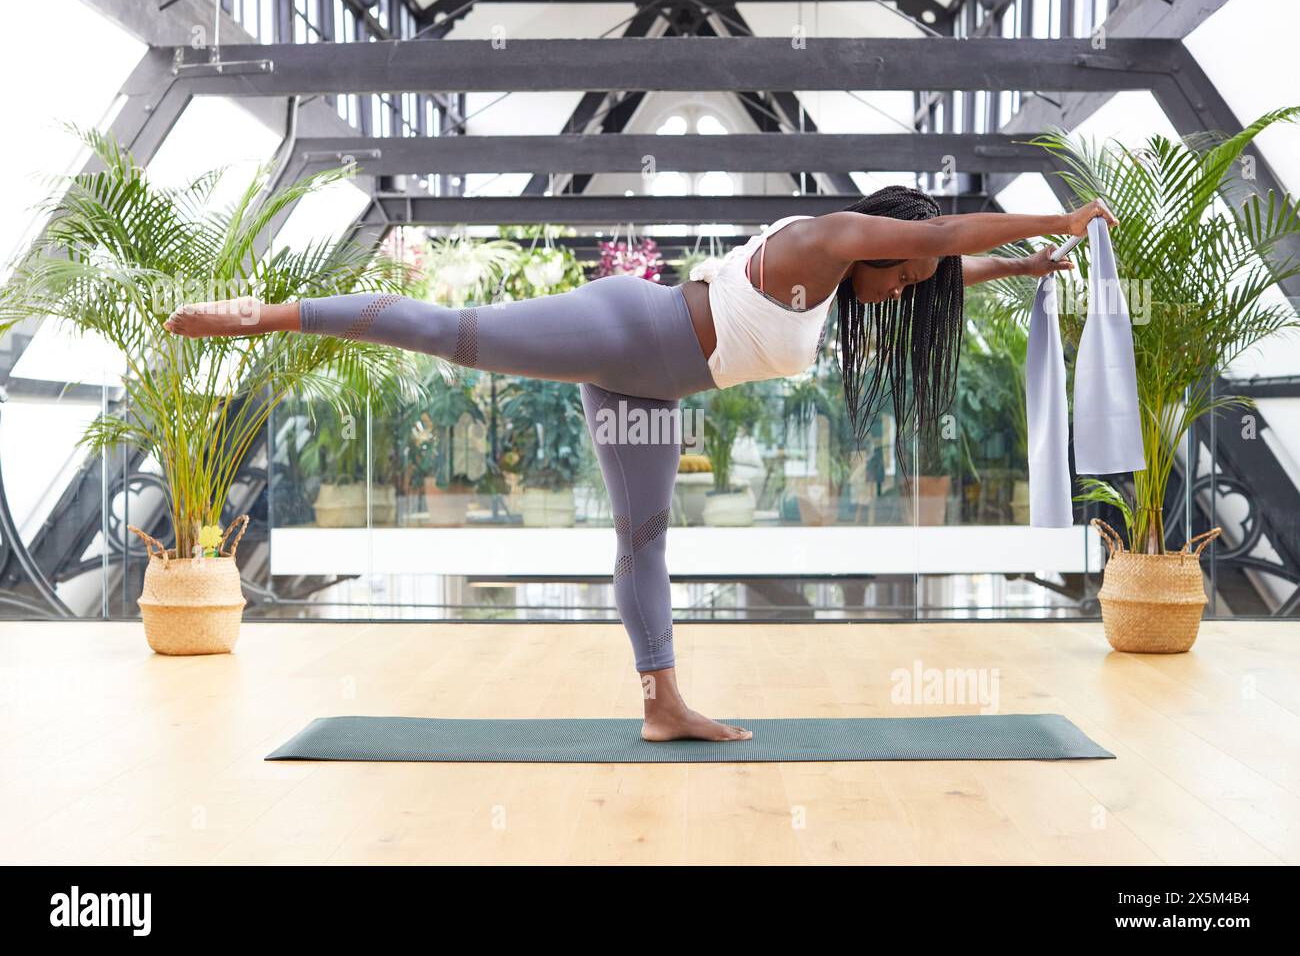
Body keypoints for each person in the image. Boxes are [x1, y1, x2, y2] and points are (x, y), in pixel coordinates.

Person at [166, 185, 1116, 742]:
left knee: (644, 536)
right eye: (901, 272)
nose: (904, 289)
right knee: (456, 335)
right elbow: (942, 238)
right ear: (880, 241)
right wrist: (1054, 222)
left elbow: (941, 263)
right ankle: (268, 312)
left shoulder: (836, 289)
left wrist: (1023, 270)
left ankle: (662, 700)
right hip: (627, 325)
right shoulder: (826, 241)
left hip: (650, 390)